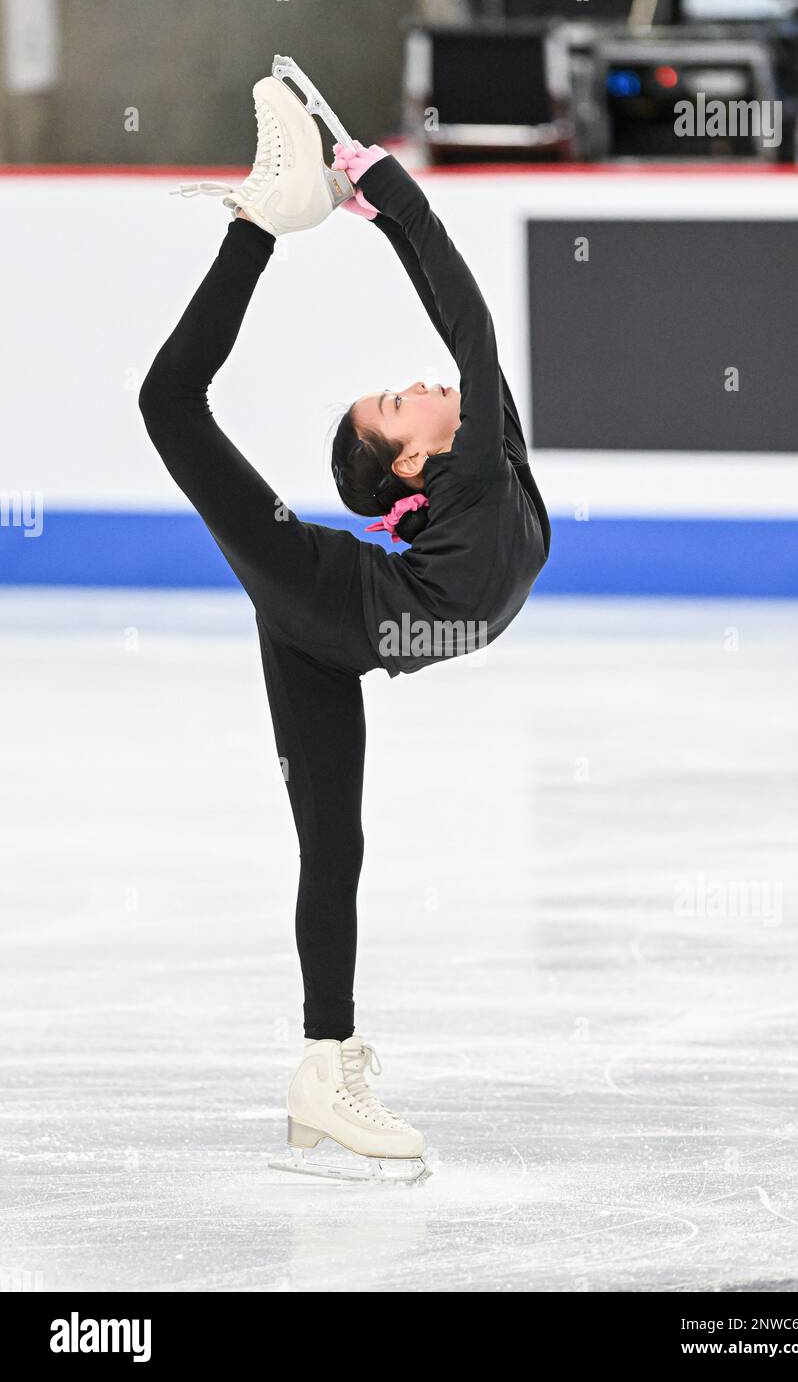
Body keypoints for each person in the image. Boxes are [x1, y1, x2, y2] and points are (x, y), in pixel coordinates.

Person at [138, 70, 550, 1181]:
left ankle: (324, 1073)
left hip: (339, 630)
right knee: (168, 406)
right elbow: (467, 323)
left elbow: (460, 326)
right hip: (327, 594)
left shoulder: (485, 459)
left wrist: (377, 206)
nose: (420, 382)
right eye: (397, 400)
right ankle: (256, 229)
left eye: (401, 389)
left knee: (336, 843)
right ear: (412, 460)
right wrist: (394, 200)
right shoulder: (471, 468)